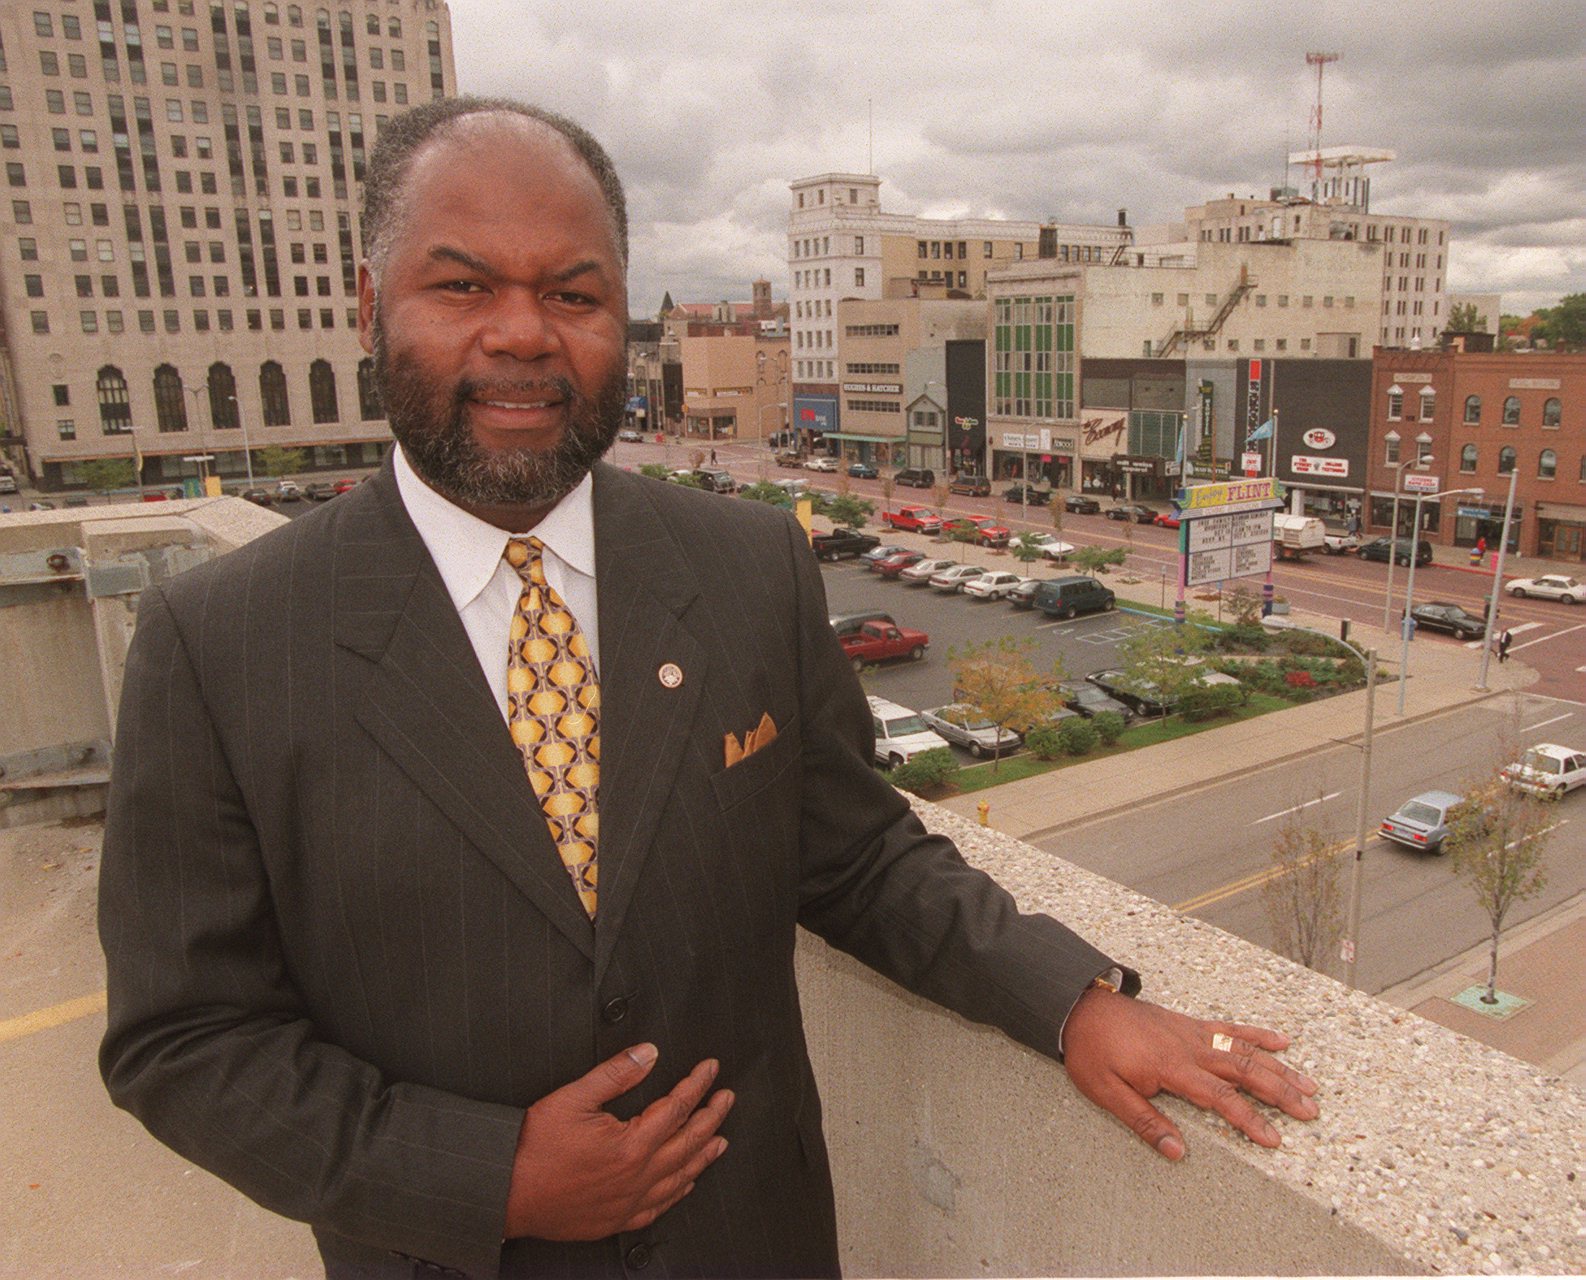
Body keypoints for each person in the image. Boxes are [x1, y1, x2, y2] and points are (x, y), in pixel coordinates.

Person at [98, 98, 1318, 1280]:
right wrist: (491, 1174)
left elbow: (854, 855)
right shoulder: (221, 643)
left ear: (621, 321)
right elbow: (186, 1038)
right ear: (369, 306)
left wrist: (1072, 998)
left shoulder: (746, 564)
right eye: (462, 285)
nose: (523, 333)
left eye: (573, 295)